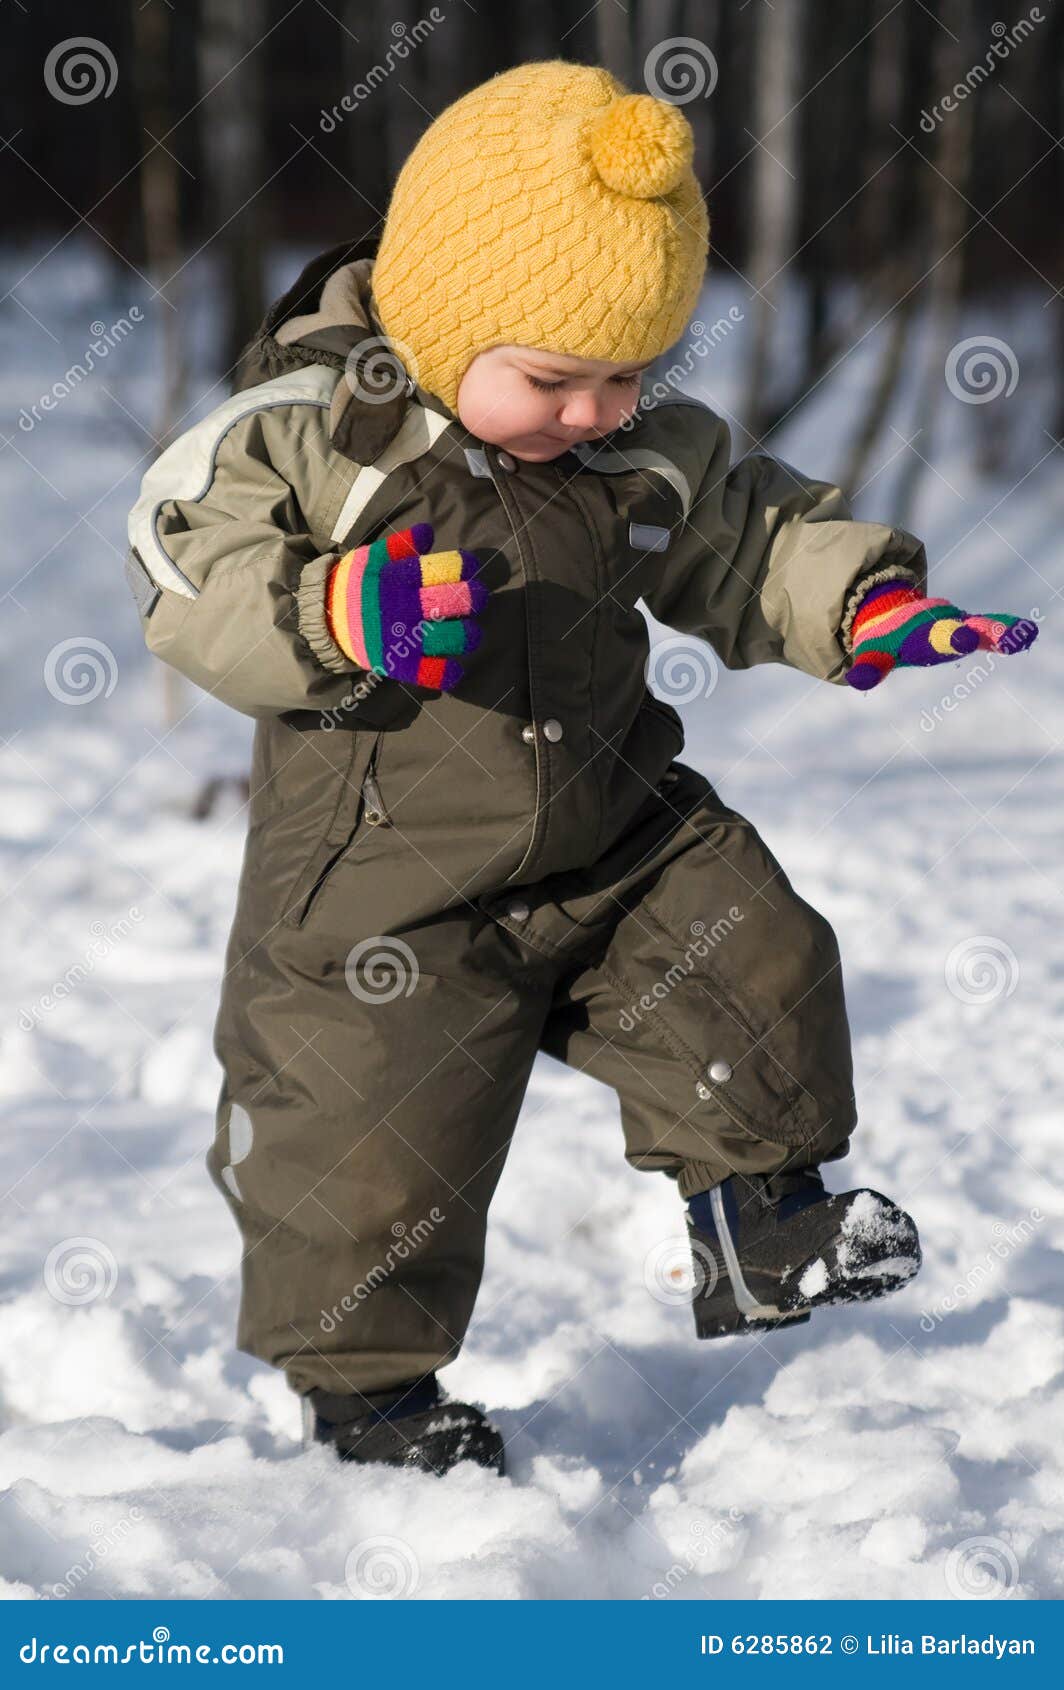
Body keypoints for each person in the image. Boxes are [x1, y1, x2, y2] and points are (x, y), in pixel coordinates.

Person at [124, 60, 1038, 1479]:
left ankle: (764, 1216)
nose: (595, 410)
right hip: (385, 884)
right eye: (555, 377)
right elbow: (188, 567)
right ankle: (372, 1400)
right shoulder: (311, 433)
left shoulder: (626, 454)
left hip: (608, 830)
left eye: (626, 375)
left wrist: (858, 599)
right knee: (370, 1141)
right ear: (442, 311)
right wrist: (330, 611)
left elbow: (743, 534)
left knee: (753, 945)